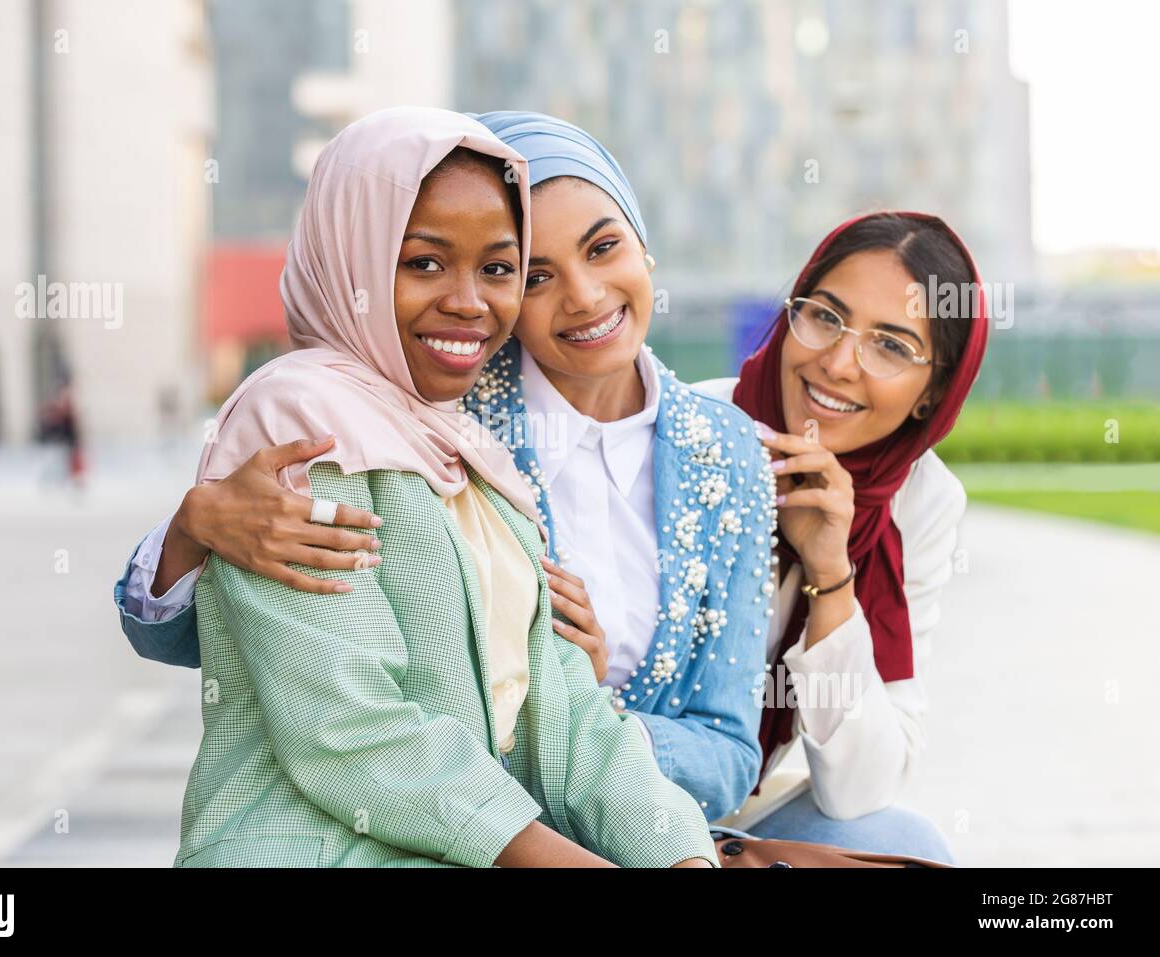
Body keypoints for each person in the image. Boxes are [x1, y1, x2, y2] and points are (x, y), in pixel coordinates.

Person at [116, 112, 777, 823]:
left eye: (604, 247)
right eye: (536, 273)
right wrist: (195, 531)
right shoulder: (431, 403)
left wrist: (578, 711)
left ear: (645, 247)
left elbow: (732, 754)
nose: (584, 295)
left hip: (638, 825)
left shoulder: (727, 447)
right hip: (441, 825)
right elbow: (216, 637)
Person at [699, 210, 989, 860]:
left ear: (932, 391)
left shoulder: (920, 501)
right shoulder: (690, 430)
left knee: (907, 843)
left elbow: (860, 789)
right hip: (613, 799)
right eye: (825, 316)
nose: (837, 362)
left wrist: (831, 572)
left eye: (890, 344)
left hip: (739, 812)